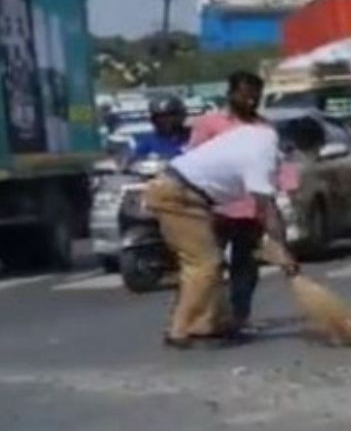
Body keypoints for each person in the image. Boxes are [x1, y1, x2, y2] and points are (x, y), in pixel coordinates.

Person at [143, 117, 319, 349]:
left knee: (209, 261)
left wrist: (275, 243)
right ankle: (179, 330)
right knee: (204, 263)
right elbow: (265, 207)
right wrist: (280, 246)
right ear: (295, 146)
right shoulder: (263, 156)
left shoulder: (259, 135)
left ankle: (208, 323)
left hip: (186, 194)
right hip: (178, 196)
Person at [188, 72, 267, 331]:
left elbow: (274, 169)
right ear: (231, 94)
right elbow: (195, 162)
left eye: (255, 96)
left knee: (246, 267)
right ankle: (203, 317)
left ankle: (239, 316)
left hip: (248, 209)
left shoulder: (264, 129)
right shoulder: (209, 125)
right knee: (208, 266)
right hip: (215, 208)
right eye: (245, 95)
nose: (250, 101)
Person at [127, 95, 190, 165]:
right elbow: (133, 162)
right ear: (153, 119)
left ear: (182, 115)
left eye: (171, 115)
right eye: (159, 116)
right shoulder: (146, 141)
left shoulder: (194, 136)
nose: (165, 120)